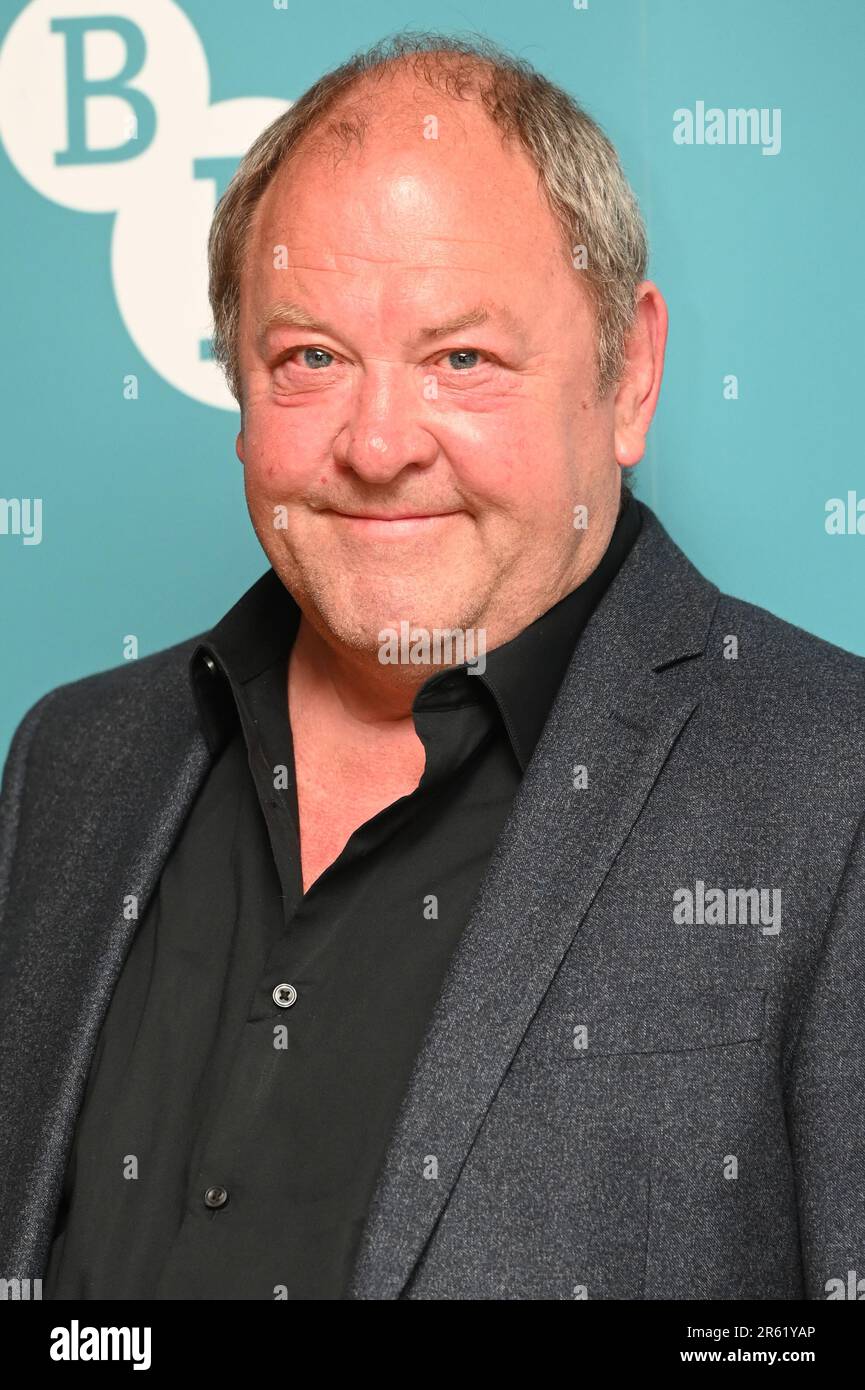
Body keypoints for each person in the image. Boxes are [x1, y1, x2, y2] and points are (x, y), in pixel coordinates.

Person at [1, 33, 863, 1301]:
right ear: (237, 382)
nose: (380, 442)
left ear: (628, 376)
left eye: (462, 358)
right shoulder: (71, 763)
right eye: (311, 359)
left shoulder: (831, 787)